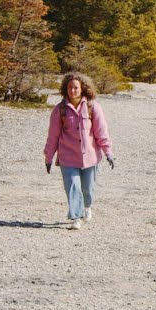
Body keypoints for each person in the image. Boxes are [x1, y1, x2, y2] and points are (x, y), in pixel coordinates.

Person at [44, 72, 114, 230]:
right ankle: (76, 217)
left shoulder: (92, 107)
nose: (72, 91)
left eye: (75, 87)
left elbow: (101, 131)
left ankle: (87, 207)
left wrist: (108, 152)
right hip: (67, 157)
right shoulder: (59, 110)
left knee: (87, 188)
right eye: (69, 87)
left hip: (90, 156)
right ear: (65, 89)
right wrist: (48, 158)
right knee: (73, 187)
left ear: (82, 88)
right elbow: (52, 136)